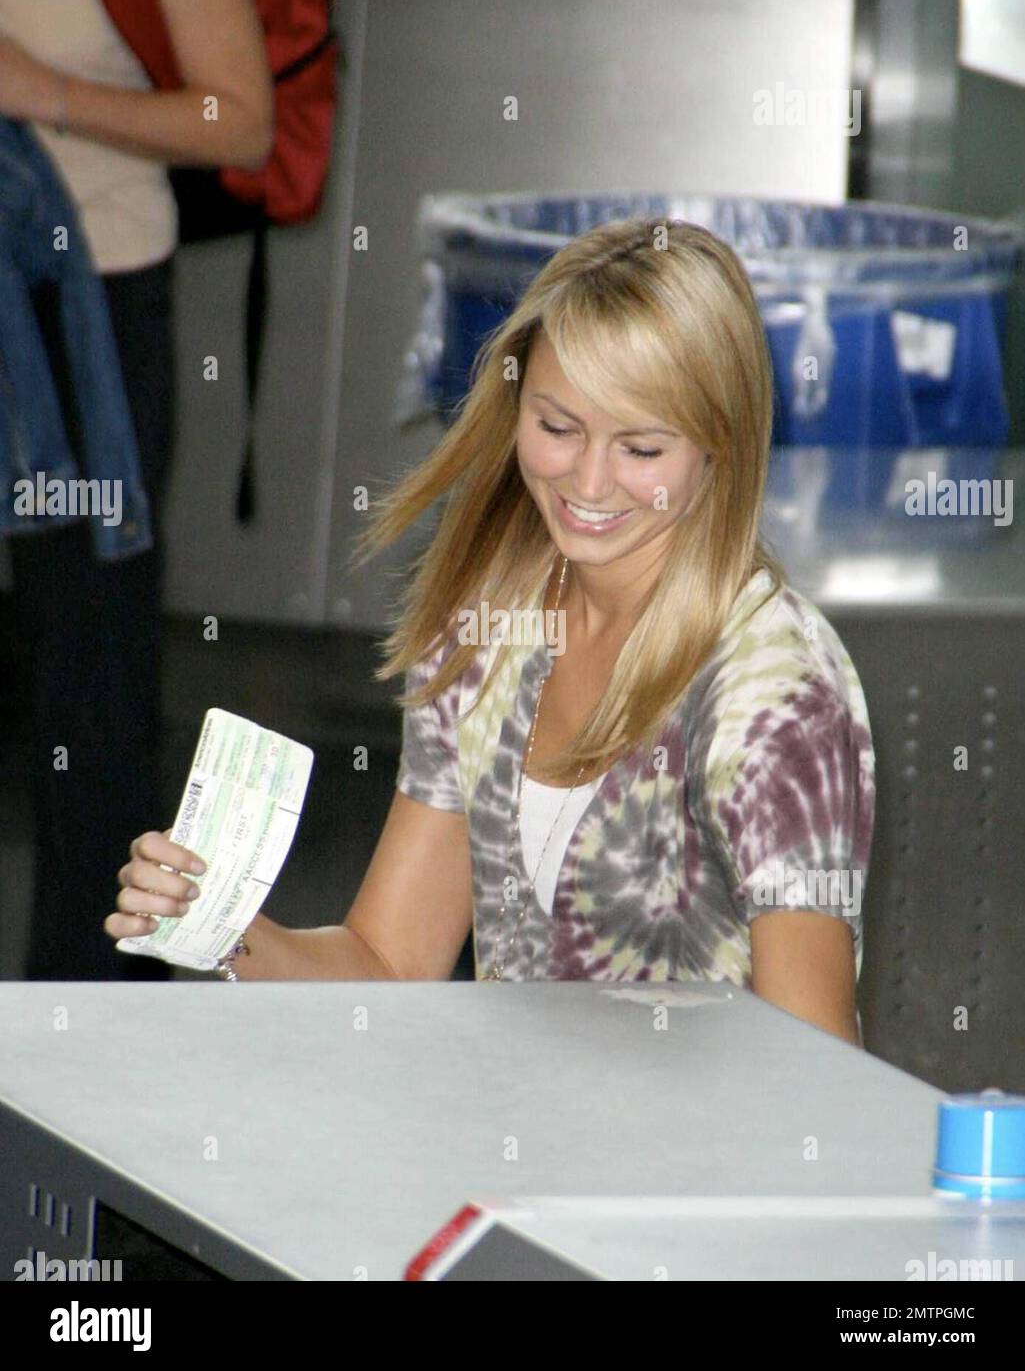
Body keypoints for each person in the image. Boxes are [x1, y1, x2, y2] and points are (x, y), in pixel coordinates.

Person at [106, 217, 875, 1044]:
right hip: (509, 1156)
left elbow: (811, 1064)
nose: (586, 480)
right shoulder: (488, 627)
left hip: (679, 1172)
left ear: (719, 448)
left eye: (641, 447)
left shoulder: (777, 693)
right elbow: (391, 963)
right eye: (556, 427)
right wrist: (219, 926)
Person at [0, 0, 272, 979]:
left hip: (84, 319)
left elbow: (241, 122)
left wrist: (38, 91)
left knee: (88, 696)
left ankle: (87, 1042)